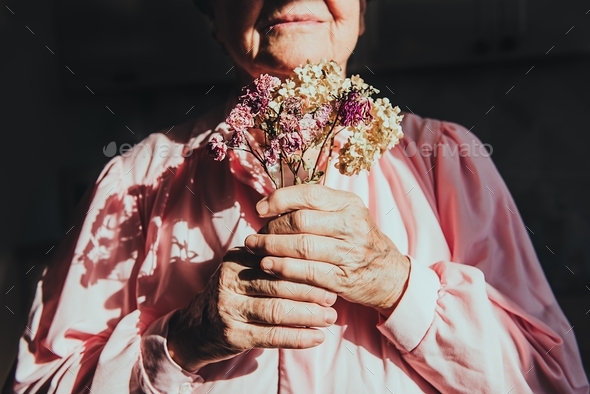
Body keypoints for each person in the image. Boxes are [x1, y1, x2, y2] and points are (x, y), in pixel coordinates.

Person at [6, 0, 589, 393]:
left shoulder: (450, 160)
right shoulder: (135, 179)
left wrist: (396, 285)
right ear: (212, 14)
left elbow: (548, 379)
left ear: (362, 11)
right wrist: (181, 341)